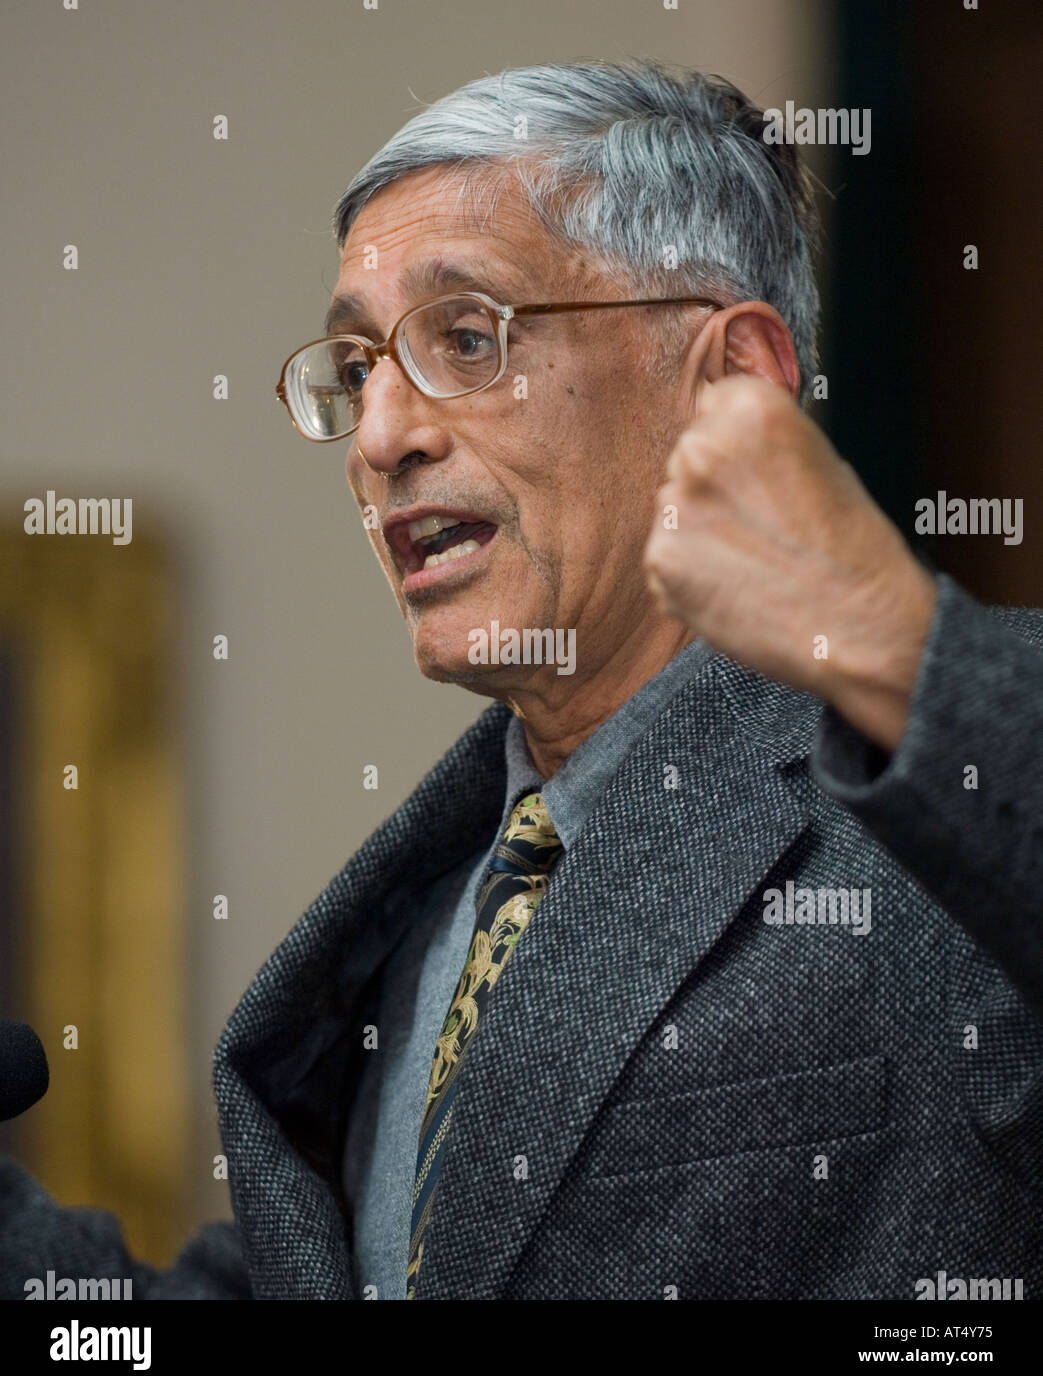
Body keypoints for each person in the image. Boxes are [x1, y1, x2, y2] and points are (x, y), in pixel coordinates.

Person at [3, 58, 1041, 1302]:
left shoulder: (932, 818)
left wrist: (882, 636)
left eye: (465, 337)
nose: (382, 436)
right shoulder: (440, 906)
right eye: (357, 364)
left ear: (727, 384)